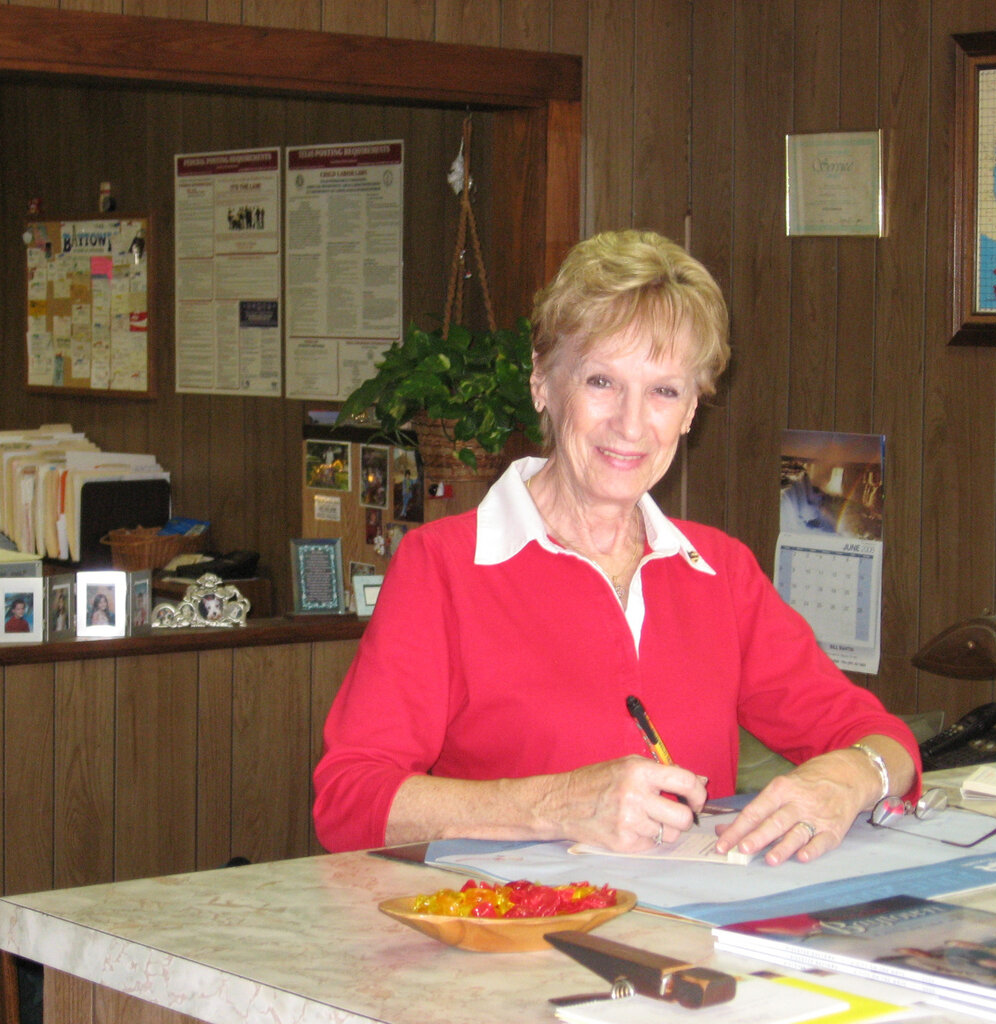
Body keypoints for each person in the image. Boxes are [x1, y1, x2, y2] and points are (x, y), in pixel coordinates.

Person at [313, 229, 920, 863]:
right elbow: (349, 800)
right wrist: (556, 806)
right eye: (602, 381)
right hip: (510, 944)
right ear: (544, 384)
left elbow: (881, 737)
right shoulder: (442, 568)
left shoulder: (720, 572)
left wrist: (847, 780)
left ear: (690, 412)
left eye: (664, 391)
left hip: (683, 943)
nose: (632, 424)